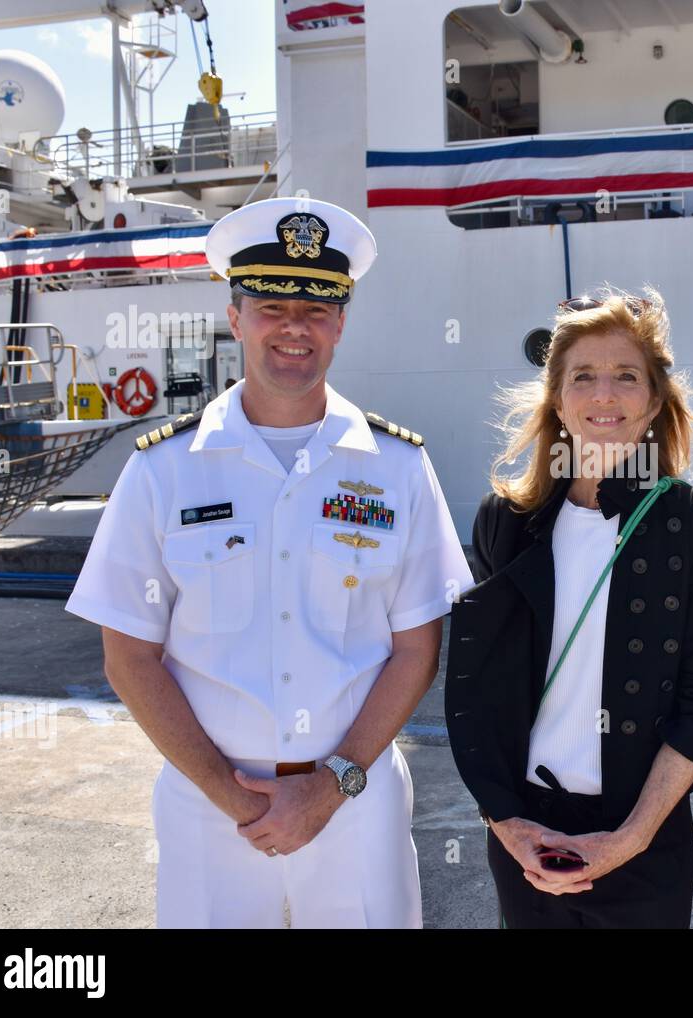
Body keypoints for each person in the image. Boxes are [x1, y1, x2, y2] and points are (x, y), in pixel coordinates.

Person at [65, 196, 472, 928]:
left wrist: (330, 783)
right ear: (235, 316)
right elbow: (128, 655)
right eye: (272, 304)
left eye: (318, 308)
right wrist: (227, 791)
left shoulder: (397, 468)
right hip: (207, 808)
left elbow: (417, 649)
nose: (295, 326)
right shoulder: (166, 470)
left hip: (355, 799)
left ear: (342, 322)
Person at [445, 288, 693, 929]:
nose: (604, 395)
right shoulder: (508, 521)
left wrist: (633, 836)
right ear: (556, 397)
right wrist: (504, 820)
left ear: (655, 400)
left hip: (647, 837)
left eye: (625, 376)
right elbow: (479, 689)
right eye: (583, 376)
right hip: (527, 829)